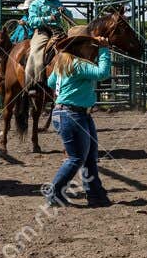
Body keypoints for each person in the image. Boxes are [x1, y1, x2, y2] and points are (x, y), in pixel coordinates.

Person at [44, 34, 113, 208]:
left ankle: (95, 194)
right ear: (80, 47)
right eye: (90, 46)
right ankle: (54, 192)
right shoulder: (78, 64)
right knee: (76, 158)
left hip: (71, 114)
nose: (93, 49)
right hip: (73, 114)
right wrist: (105, 50)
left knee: (88, 157)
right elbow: (102, 73)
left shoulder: (63, 63)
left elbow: (51, 82)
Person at [22, 0, 71, 90]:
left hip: (59, 31)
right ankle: (33, 84)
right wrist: (49, 18)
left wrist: (65, 11)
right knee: (36, 54)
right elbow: (32, 21)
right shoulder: (35, 4)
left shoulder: (57, 2)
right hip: (42, 32)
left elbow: (70, 15)